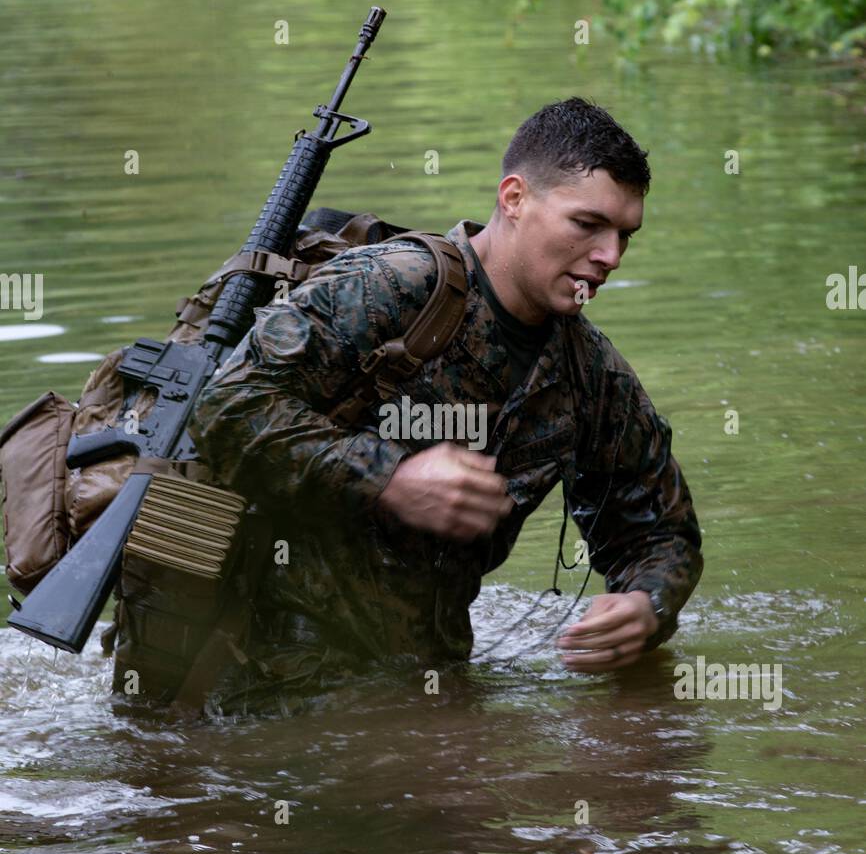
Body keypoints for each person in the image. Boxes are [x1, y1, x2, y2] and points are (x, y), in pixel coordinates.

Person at [186, 97, 703, 712]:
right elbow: (223, 405)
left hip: (426, 682)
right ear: (514, 199)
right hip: (244, 681)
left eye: (624, 235)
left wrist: (645, 605)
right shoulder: (391, 288)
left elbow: (659, 531)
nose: (610, 256)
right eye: (587, 224)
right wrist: (390, 477)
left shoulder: (588, 374)